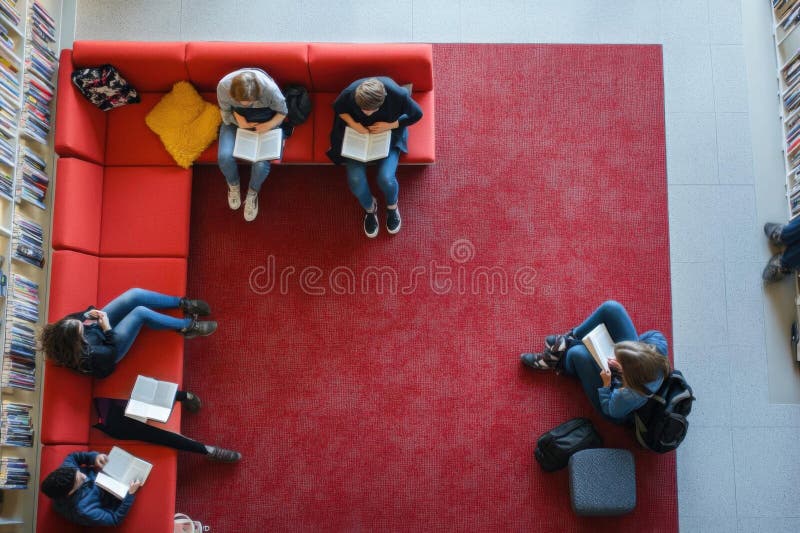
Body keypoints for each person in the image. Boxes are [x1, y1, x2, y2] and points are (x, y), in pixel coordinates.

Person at [520, 300, 670, 424]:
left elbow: (610, 409)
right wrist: (632, 356)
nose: (613, 359)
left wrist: (606, 383)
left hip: (612, 403)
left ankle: (557, 359)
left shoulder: (626, 396)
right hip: (635, 368)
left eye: (619, 362)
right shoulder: (658, 345)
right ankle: (569, 340)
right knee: (611, 308)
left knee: (577, 353)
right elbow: (649, 336)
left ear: (626, 374)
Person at [40, 288, 216, 378]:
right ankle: (187, 327)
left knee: (134, 295)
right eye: (81, 329)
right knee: (140, 312)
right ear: (77, 341)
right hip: (108, 348)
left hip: (97, 332)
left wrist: (88, 315)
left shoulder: (65, 327)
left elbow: (81, 315)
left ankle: (181, 303)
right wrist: (107, 328)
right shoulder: (88, 355)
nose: (81, 323)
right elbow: (111, 352)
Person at [327, 77, 423, 238]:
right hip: (358, 134)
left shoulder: (396, 93)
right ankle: (370, 208)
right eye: (363, 109)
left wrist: (391, 125)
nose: (366, 113)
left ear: (383, 100)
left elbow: (417, 114)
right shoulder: (351, 92)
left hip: (388, 133)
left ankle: (392, 207)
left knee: (386, 178)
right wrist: (355, 124)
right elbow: (339, 109)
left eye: (371, 110)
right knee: (355, 179)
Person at [217, 68, 288, 222]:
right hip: (236, 123)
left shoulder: (270, 90)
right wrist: (239, 121)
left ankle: (252, 192)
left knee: (261, 165)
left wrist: (268, 125)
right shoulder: (223, 86)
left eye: (250, 102)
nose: (245, 104)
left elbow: (283, 112)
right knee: (224, 157)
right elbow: (225, 112)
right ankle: (233, 184)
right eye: (241, 102)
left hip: (265, 123)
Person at [92, 392, 242, 463]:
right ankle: (207, 450)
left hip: (113, 393)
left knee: (145, 388)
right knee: (157, 434)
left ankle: (184, 396)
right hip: (112, 419)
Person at [41, 450, 142, 527]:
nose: (84, 476)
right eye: (80, 479)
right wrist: (130, 495)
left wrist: (94, 458)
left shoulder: (67, 469)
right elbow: (114, 520)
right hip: (116, 494)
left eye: (79, 472)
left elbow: (73, 457)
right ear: (70, 492)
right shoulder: (84, 511)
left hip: (106, 473)